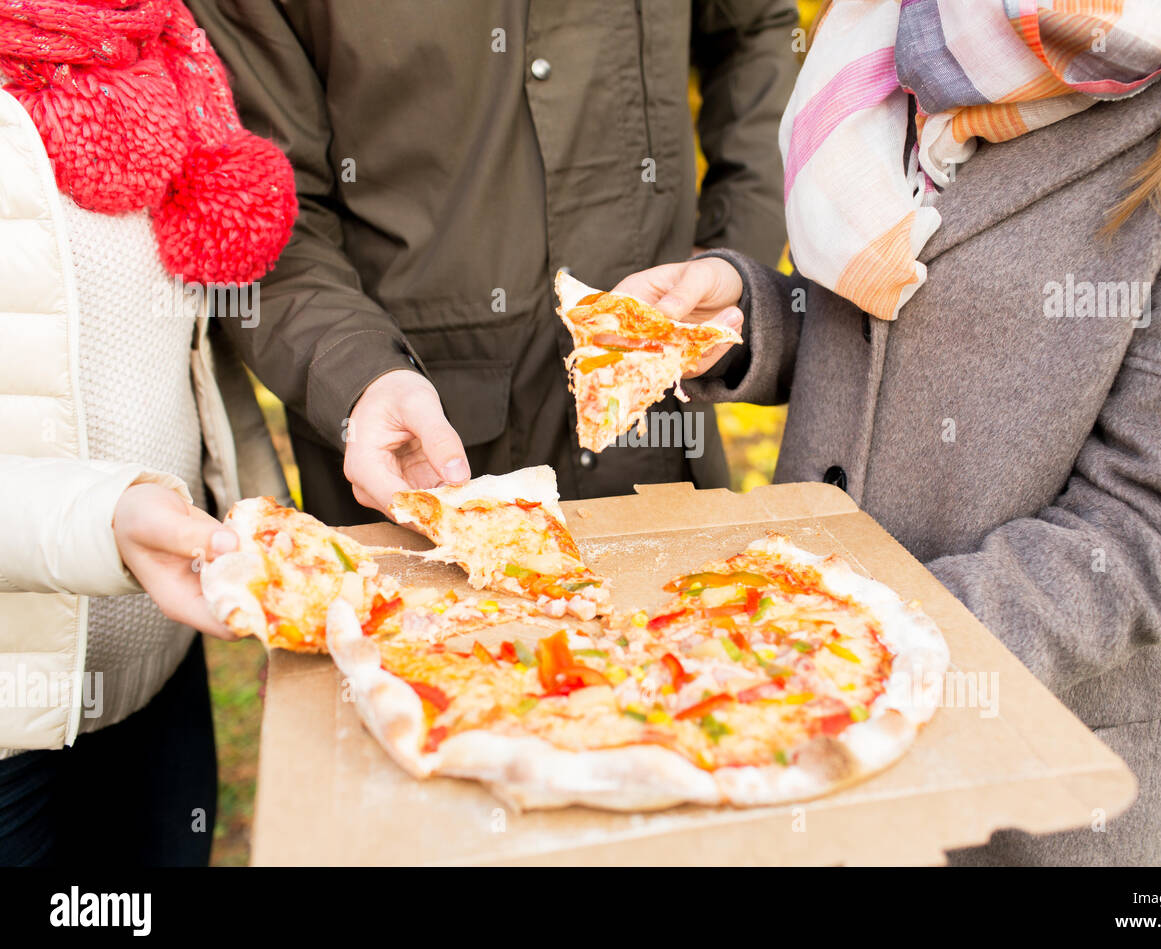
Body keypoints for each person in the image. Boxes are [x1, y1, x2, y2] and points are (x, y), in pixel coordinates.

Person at [614, 0, 1161, 865]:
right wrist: (752, 316)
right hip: (790, 711)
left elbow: (1158, 528)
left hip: (1012, 767)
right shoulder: (903, 29)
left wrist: (853, 642)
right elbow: (896, 314)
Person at [188, 0, 800, 525]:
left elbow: (751, 32)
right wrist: (358, 374)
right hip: (420, 473)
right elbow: (256, 212)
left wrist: (730, 254)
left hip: (665, 448)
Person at [0, 0, 293, 865]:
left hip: (159, 671)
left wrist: (271, 542)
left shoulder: (166, 58)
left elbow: (191, 363)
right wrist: (106, 517)